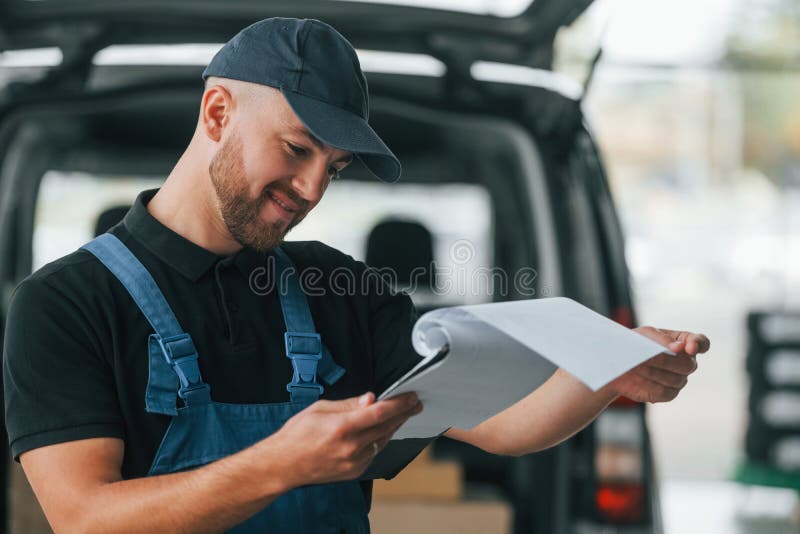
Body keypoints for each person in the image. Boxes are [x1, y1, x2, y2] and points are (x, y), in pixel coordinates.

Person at [2, 17, 709, 534]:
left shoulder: (337, 290)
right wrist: (281, 464)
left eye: (333, 169)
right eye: (296, 148)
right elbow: (85, 518)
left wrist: (607, 373)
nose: (311, 189)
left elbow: (501, 424)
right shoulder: (65, 305)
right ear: (218, 111)